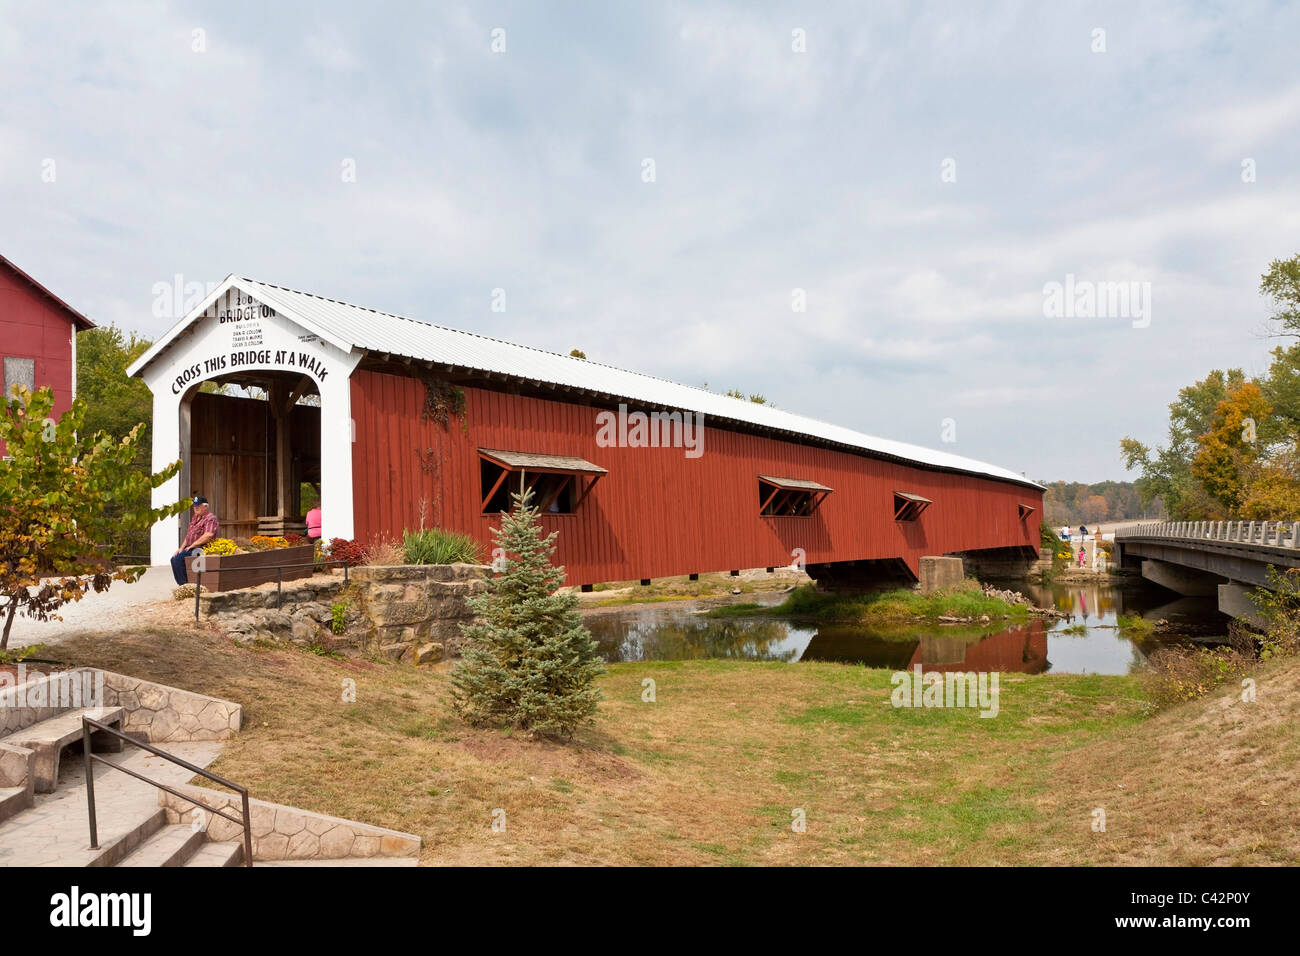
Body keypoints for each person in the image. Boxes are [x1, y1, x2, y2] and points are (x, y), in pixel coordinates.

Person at [171, 495, 220, 585]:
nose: (195, 507)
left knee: (178, 560)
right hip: (191, 547)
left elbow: (208, 535)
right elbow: (189, 535)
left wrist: (193, 545)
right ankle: (183, 585)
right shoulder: (195, 518)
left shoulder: (210, 518)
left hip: (202, 548)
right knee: (174, 558)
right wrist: (181, 548)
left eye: (198, 505)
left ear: (205, 507)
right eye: (194, 505)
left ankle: (185, 585)